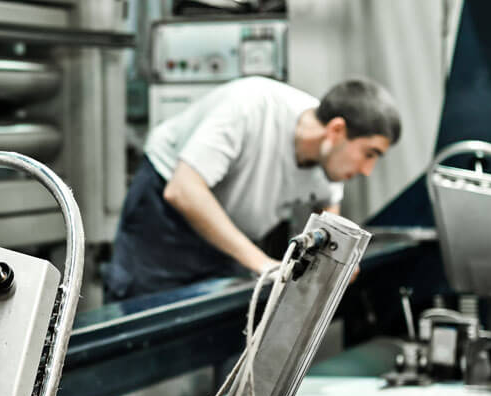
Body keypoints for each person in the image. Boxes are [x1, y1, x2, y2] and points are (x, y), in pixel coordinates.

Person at [104, 75, 402, 301]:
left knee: (217, 329)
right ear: (336, 131)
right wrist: (262, 264)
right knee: (144, 320)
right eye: (369, 153)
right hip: (165, 222)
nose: (367, 170)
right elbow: (183, 190)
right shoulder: (250, 107)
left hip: (228, 236)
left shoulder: (331, 157)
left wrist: (339, 262)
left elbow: (329, 214)